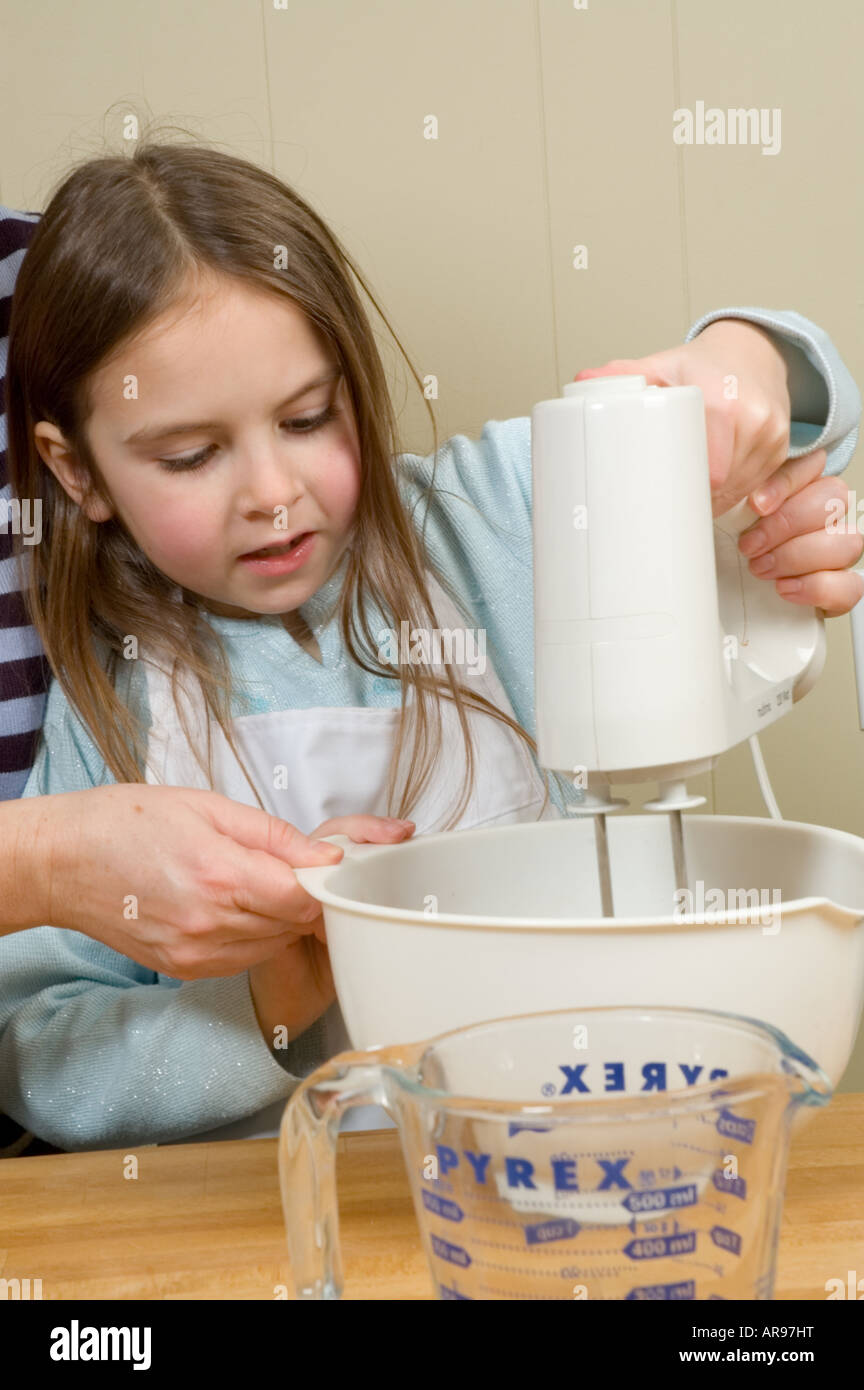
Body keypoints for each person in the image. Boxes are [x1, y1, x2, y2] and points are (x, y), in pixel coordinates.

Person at [0, 142, 860, 1152]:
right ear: (78, 471)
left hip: (581, 1163)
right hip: (283, 1224)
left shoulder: (493, 514)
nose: (274, 490)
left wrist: (740, 367)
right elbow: (42, 1054)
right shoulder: (112, 694)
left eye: (310, 417)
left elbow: (806, 404)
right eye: (192, 455)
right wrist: (273, 1005)